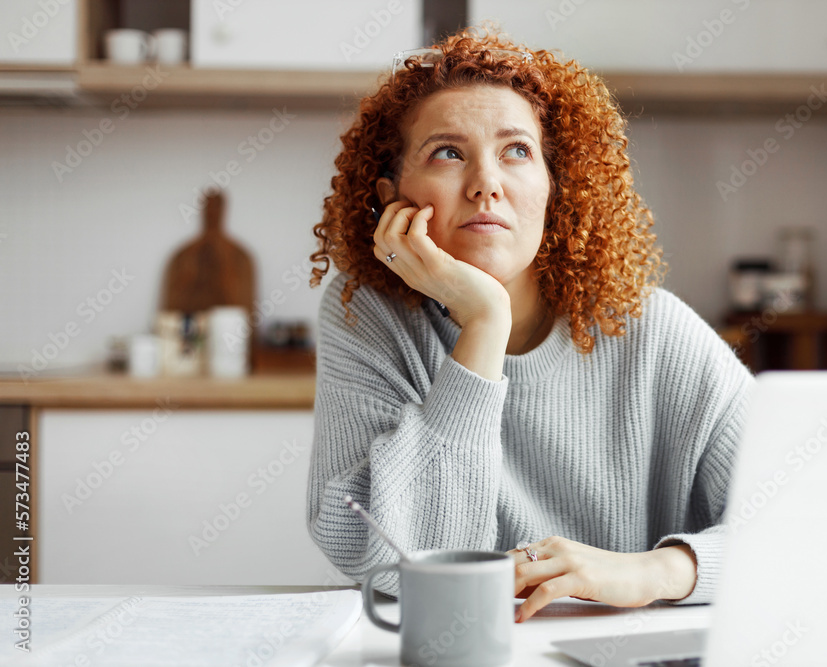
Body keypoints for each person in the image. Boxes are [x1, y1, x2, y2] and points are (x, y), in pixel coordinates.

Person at [306, 27, 753, 622]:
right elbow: (395, 567)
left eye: (516, 150)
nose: (485, 183)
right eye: (448, 152)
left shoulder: (656, 333)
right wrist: (484, 324)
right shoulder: (369, 315)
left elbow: (811, 522)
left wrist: (654, 571)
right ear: (393, 195)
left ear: (552, 186)